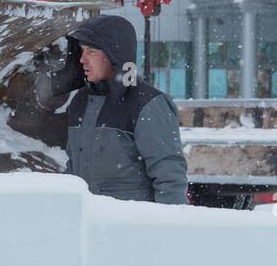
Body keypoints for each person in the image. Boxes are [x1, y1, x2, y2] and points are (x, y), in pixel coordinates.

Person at [38, 13, 188, 204]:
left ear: (114, 54)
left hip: (132, 225)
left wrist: (167, 228)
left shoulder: (148, 104)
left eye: (91, 51)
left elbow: (170, 178)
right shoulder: (80, 102)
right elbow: (74, 169)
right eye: (82, 51)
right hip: (88, 224)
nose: (82, 59)